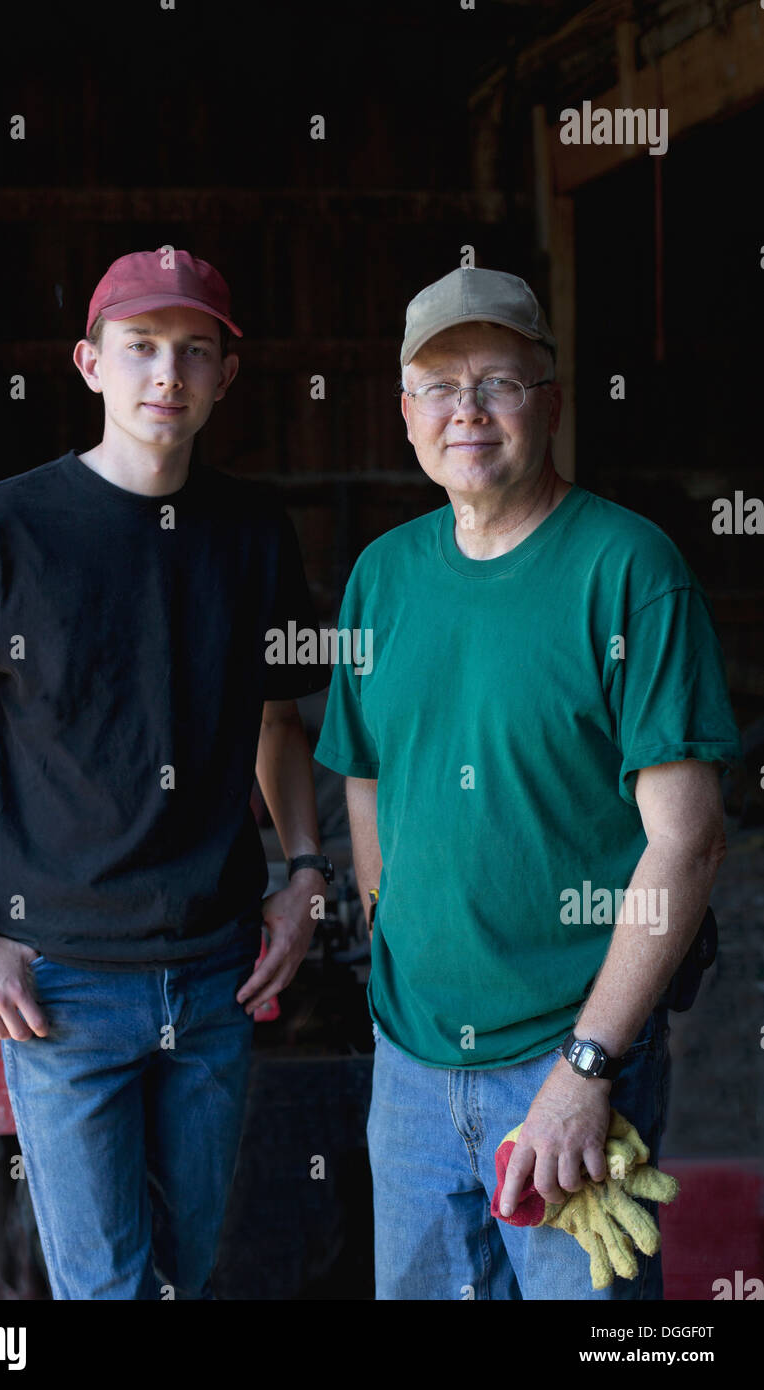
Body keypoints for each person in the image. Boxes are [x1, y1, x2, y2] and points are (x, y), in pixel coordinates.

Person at [0, 246, 333, 1300]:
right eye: (140, 348)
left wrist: (306, 874)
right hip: (60, 986)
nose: (165, 373)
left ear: (227, 373)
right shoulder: (4, 526)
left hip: (218, 973)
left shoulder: (253, 531)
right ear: (90, 365)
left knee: (185, 1269)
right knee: (110, 1289)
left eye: (193, 350)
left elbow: (278, 719)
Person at [313, 265, 743, 1300]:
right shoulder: (381, 574)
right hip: (410, 1070)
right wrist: (393, 941)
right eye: (441, 386)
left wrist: (587, 1068)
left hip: (567, 1067)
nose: (467, 409)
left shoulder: (627, 569)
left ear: (547, 401)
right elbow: (362, 775)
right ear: (407, 413)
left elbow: (687, 836)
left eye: (498, 381)